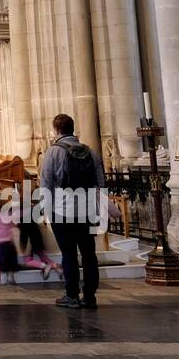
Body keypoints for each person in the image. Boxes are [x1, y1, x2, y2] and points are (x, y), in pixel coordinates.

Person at [38, 113, 105, 310]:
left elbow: (46, 184)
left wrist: (46, 211)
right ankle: (90, 296)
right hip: (86, 211)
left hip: (62, 211)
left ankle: (72, 295)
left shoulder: (53, 152)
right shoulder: (90, 152)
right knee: (89, 254)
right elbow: (100, 182)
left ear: (56, 130)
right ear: (73, 128)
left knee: (68, 254)